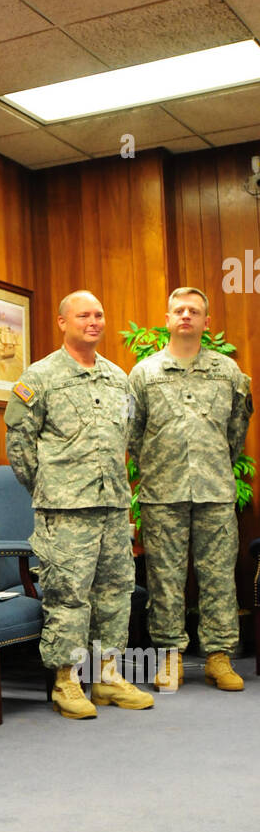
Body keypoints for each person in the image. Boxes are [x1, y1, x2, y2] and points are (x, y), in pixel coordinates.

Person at [4, 290, 153, 719]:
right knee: (68, 596)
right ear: (62, 322)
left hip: (112, 506)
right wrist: (51, 488)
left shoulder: (117, 377)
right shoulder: (40, 376)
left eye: (99, 314)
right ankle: (66, 681)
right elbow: (20, 446)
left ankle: (107, 677)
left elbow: (124, 437)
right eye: (83, 315)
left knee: (115, 592)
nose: (94, 321)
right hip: (65, 509)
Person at [128, 287, 253, 691]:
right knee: (165, 578)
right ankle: (169, 658)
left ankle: (219, 657)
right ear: (167, 319)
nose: (186, 316)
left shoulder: (228, 372)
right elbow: (133, 434)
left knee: (218, 577)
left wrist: (212, 464)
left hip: (215, 492)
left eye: (194, 311)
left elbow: (236, 433)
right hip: (163, 494)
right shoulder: (143, 374)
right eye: (178, 310)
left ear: (206, 322)